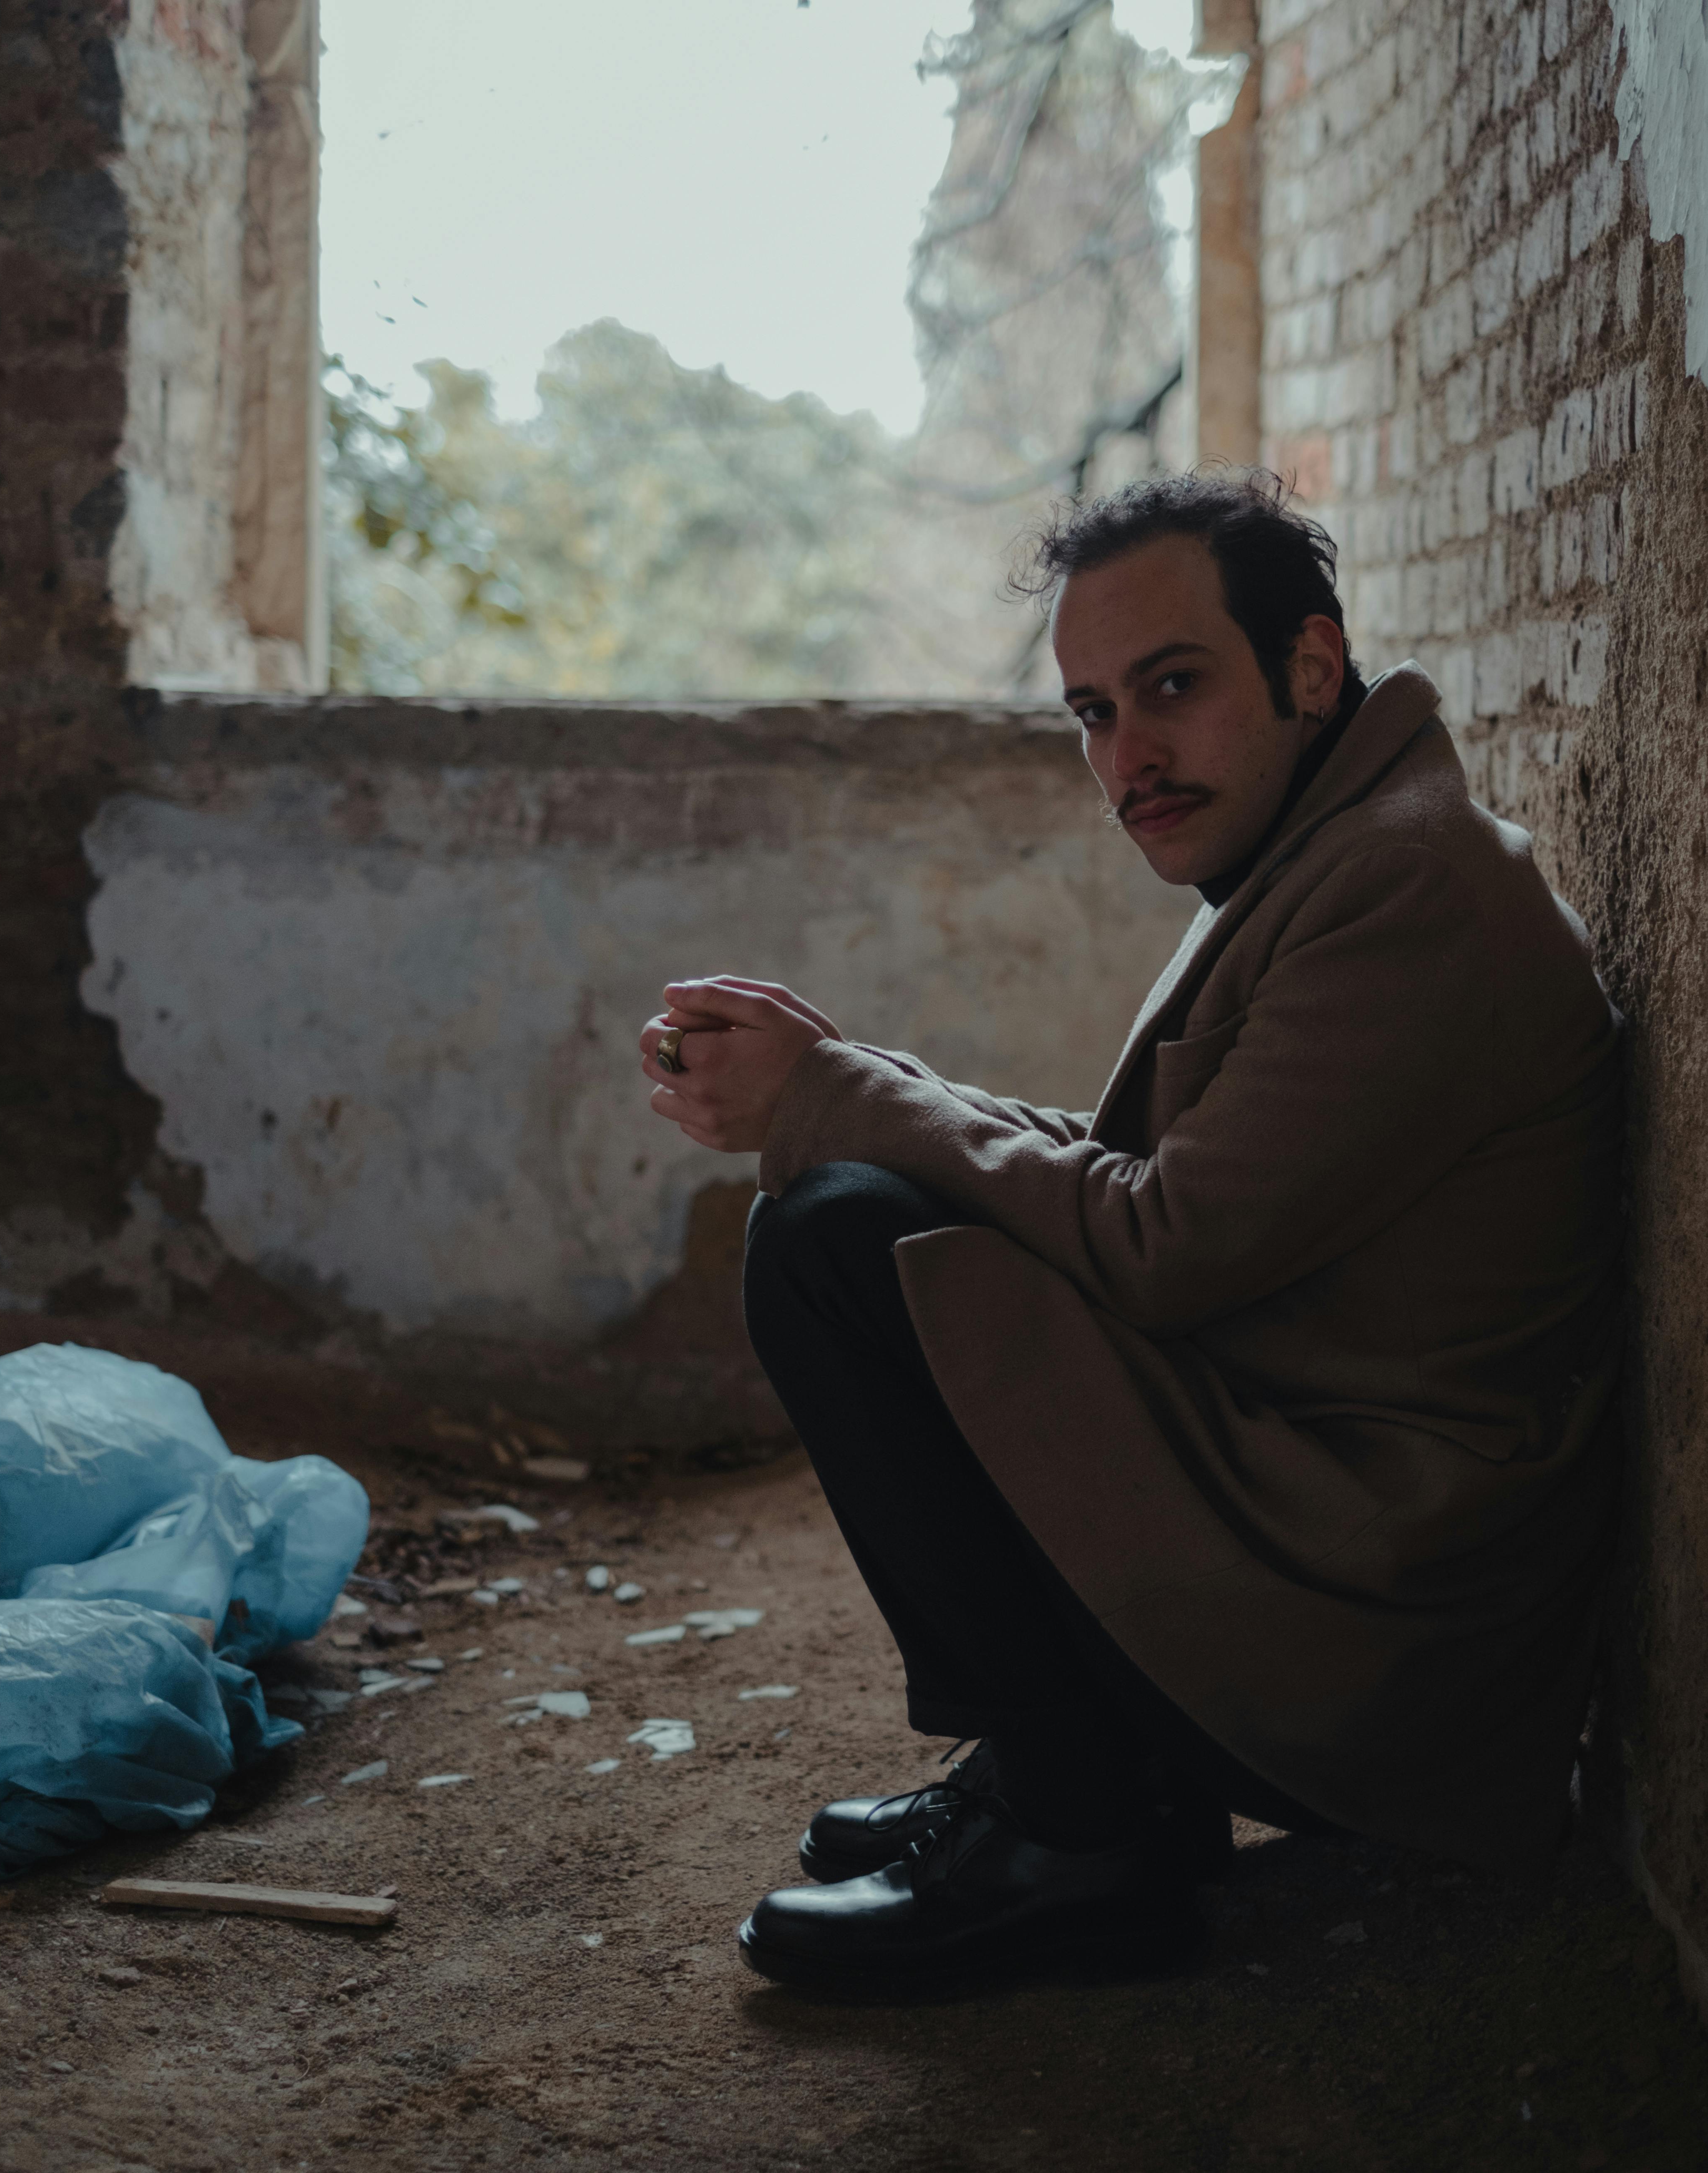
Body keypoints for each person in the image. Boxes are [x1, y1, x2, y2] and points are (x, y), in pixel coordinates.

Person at [638, 471, 1624, 1996]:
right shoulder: (1327, 843)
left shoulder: (1403, 887)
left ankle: (1079, 1832)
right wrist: (866, 1086)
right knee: (860, 1209)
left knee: (841, 1242)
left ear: (1308, 665)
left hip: (1380, 1625)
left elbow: (1161, 1243)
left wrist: (844, 1100)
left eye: (1173, 687)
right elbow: (1137, 1177)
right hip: (1301, 1509)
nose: (1129, 757)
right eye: (1092, 712)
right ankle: (1084, 1767)